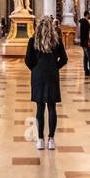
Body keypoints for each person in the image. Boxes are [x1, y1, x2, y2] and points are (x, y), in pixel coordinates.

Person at [25, 15, 67, 150]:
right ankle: (51, 139)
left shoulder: (33, 40)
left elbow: (28, 60)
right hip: (52, 75)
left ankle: (40, 140)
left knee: (40, 108)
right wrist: (55, 67)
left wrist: (36, 69)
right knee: (52, 108)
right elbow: (64, 59)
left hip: (38, 76)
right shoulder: (57, 40)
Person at [77, 13, 90, 77]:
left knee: (86, 57)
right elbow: (86, 33)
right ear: (87, 14)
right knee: (89, 57)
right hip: (86, 42)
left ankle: (86, 70)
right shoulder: (85, 22)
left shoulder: (83, 22)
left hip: (84, 42)